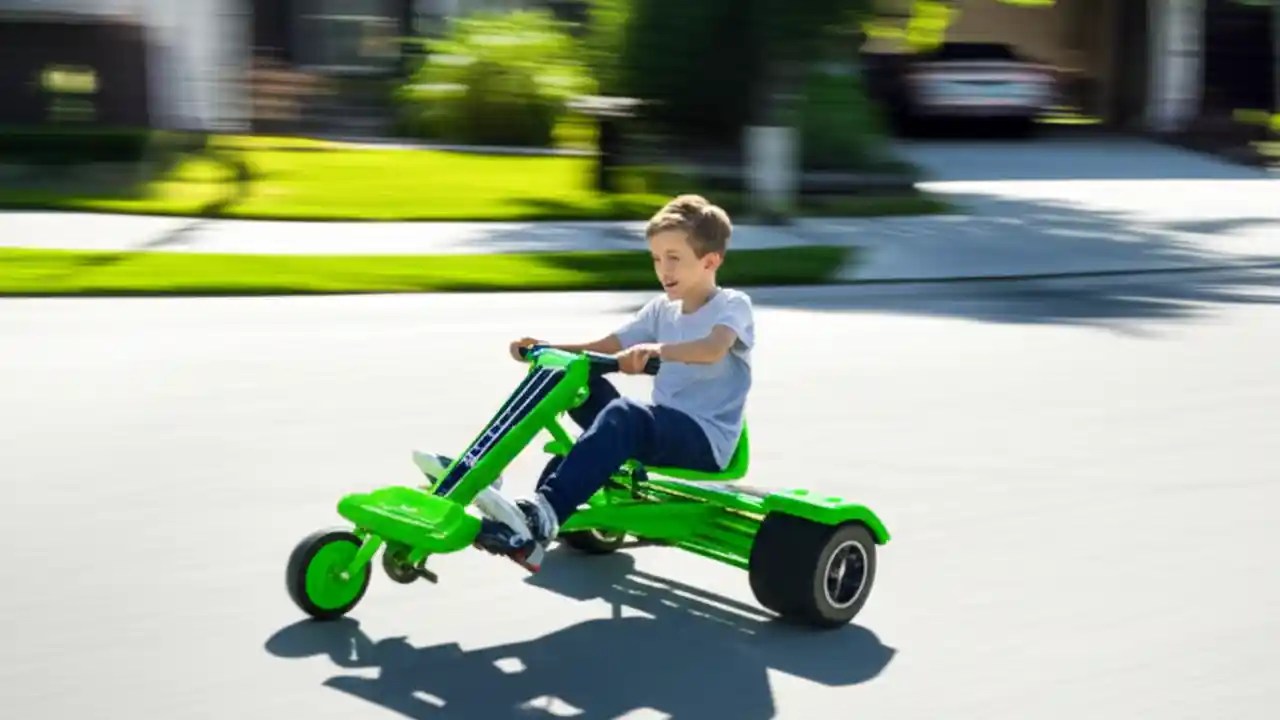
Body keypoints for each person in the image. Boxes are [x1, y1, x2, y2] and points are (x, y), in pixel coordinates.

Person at [475, 194, 755, 570]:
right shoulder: (661, 309)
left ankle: (543, 515)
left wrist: (657, 350)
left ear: (710, 261)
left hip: (705, 438)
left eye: (674, 258)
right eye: (656, 258)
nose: (663, 269)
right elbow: (606, 347)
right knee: (576, 376)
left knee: (625, 415)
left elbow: (713, 348)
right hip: (658, 426)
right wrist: (546, 348)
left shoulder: (732, 306)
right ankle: (481, 470)